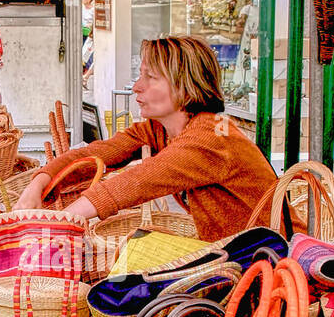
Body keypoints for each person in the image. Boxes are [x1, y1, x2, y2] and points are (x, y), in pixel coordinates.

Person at [16, 35, 277, 240]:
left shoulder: (212, 136)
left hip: (271, 261)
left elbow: (139, 181)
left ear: (185, 86)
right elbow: (98, 153)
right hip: (232, 253)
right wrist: (39, 183)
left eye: (150, 77)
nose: (137, 86)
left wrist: (57, 223)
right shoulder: (161, 129)